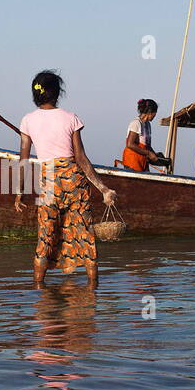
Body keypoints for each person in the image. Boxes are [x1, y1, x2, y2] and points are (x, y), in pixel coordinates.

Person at [13, 71, 116, 288]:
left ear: (36, 94)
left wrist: (19, 191)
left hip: (48, 180)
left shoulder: (28, 120)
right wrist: (102, 188)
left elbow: (23, 159)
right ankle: (91, 290)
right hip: (73, 179)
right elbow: (80, 158)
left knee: (45, 236)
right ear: (57, 93)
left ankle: (39, 289)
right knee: (85, 234)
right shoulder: (71, 118)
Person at [121, 98, 171, 172]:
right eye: (155, 113)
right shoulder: (136, 123)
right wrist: (148, 153)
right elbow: (130, 144)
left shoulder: (148, 125)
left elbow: (147, 145)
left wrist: (155, 155)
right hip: (132, 160)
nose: (155, 115)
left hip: (142, 160)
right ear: (150, 112)